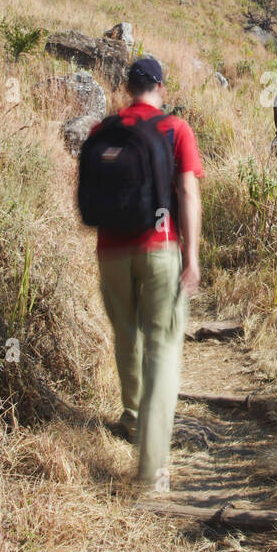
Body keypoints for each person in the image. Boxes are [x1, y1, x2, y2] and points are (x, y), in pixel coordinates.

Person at [93, 56, 203, 493]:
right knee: (162, 348)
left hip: (111, 251)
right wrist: (191, 255)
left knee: (126, 335)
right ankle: (152, 466)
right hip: (160, 249)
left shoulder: (103, 130)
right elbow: (188, 191)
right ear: (160, 86)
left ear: (126, 86)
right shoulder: (175, 129)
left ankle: (133, 417)